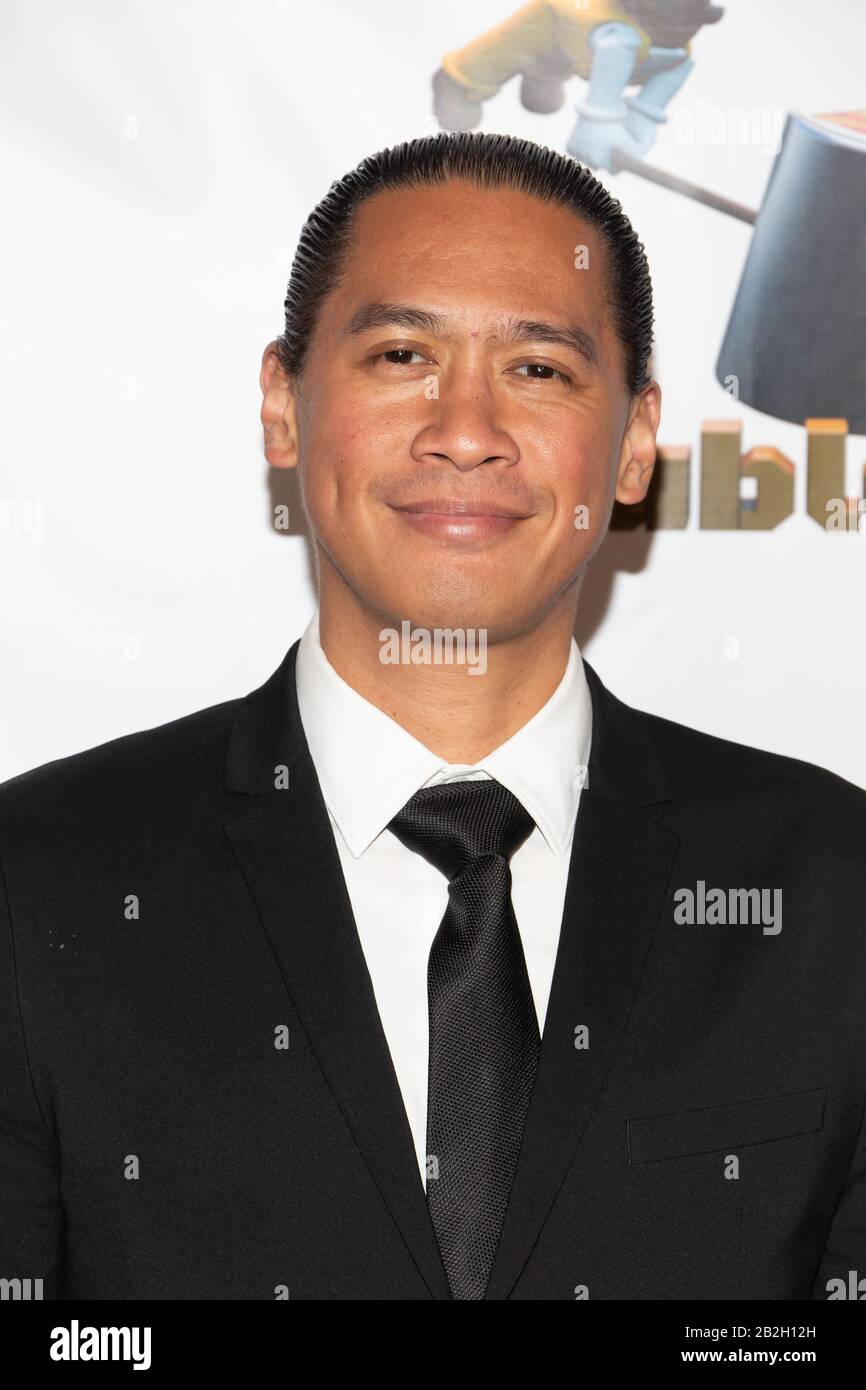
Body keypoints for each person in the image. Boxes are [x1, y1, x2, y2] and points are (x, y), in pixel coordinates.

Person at [1, 132, 864, 1302]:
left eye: (540, 370)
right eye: (402, 352)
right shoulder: (41, 877)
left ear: (632, 442)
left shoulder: (826, 884)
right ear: (282, 406)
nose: (464, 429)